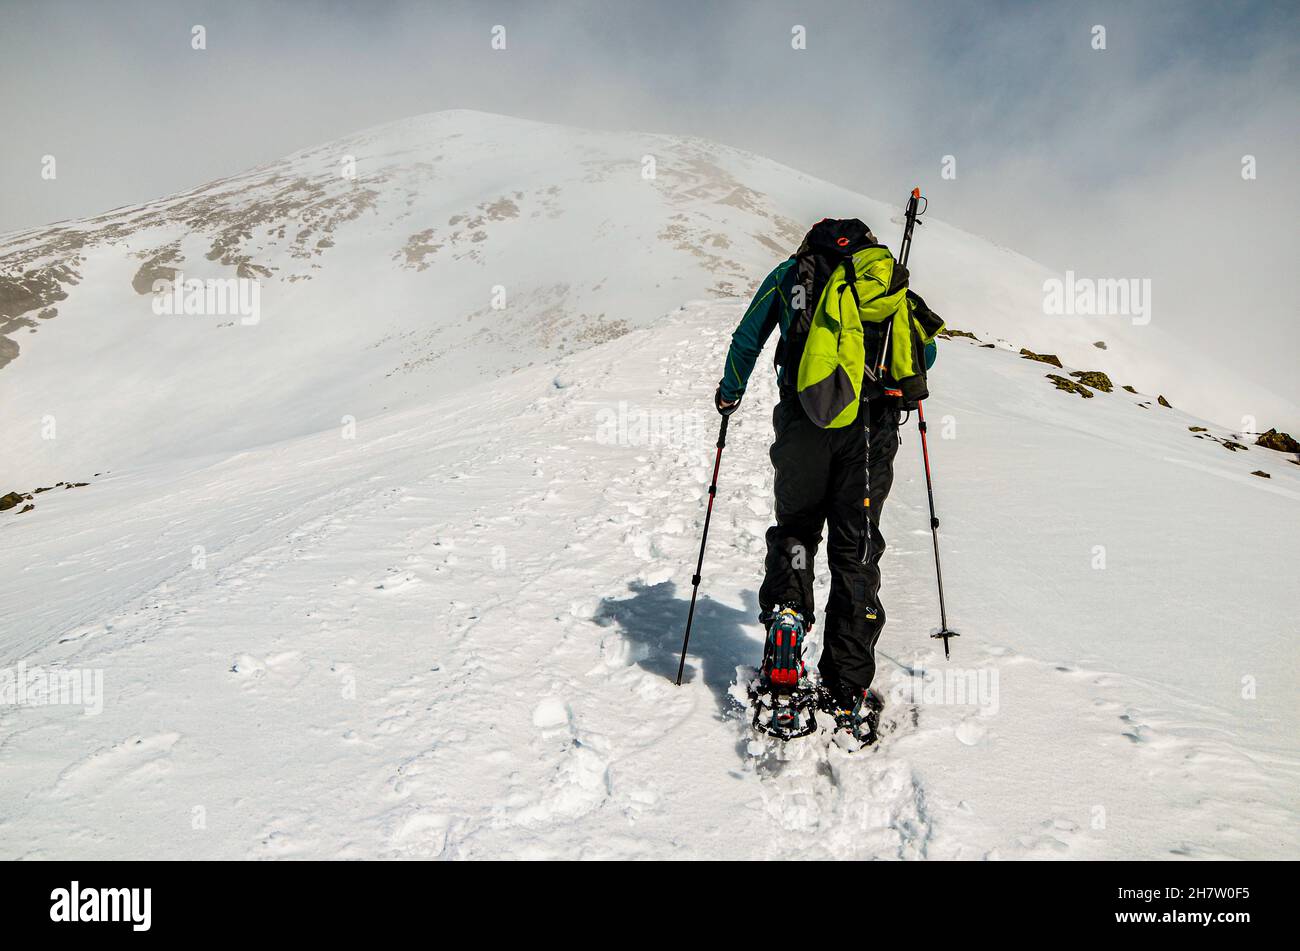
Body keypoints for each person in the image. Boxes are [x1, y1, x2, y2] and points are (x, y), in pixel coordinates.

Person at [714, 217, 941, 746]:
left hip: (803, 425)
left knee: (796, 528)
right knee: (856, 549)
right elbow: (924, 354)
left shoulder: (792, 273)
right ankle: (848, 689)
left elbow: (748, 336)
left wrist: (730, 394)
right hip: (870, 432)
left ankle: (789, 621)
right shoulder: (885, 281)